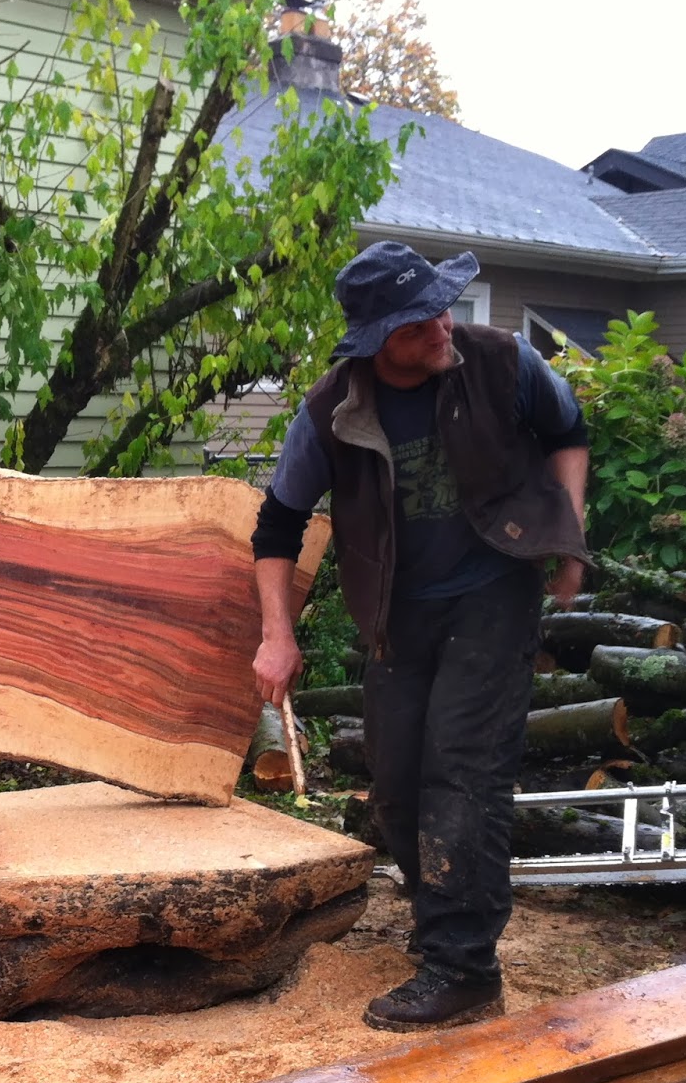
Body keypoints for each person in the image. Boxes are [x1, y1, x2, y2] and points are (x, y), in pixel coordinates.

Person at [251, 241, 589, 1033]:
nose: (442, 322)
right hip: (398, 613)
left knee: (464, 772)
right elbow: (278, 525)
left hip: (494, 591)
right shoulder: (332, 408)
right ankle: (446, 909)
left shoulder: (503, 360)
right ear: (376, 340)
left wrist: (567, 530)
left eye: (441, 304)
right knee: (398, 784)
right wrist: (277, 634)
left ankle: (464, 965)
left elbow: (569, 430)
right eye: (418, 320)